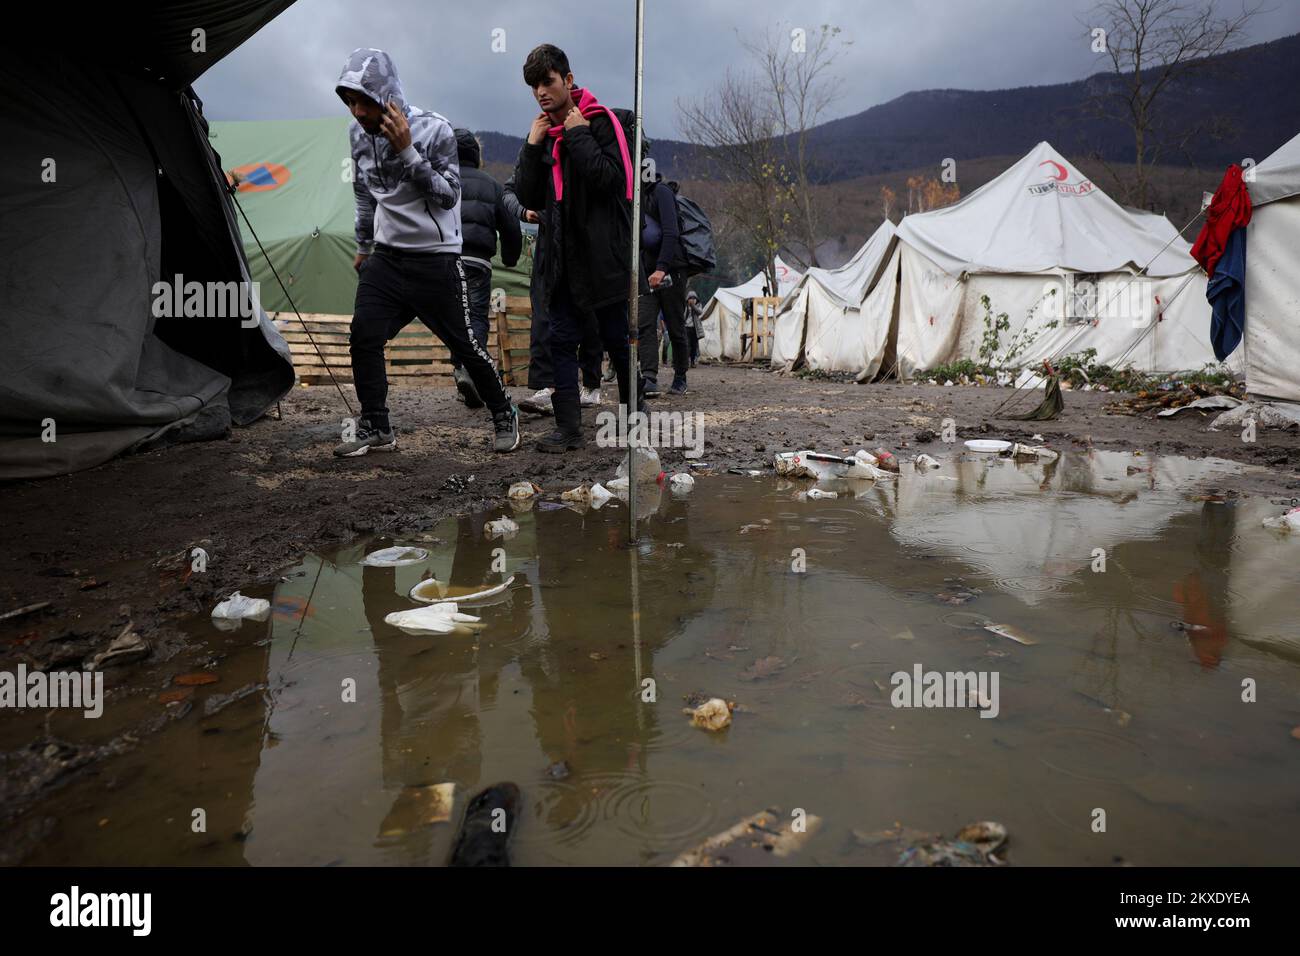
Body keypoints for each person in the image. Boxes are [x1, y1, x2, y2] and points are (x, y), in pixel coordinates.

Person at [332, 48, 519, 456]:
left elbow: (449, 196)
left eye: (365, 99)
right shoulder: (356, 136)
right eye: (350, 101)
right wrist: (364, 246)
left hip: (436, 258)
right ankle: (376, 426)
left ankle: (504, 412)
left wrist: (407, 152)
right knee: (364, 333)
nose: (357, 110)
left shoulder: (435, 130)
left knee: (467, 347)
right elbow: (364, 195)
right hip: (387, 256)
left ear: (388, 94)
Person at [511, 44, 640, 453]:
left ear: (567, 80)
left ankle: (633, 418)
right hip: (561, 260)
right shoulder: (541, 135)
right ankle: (569, 430)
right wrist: (532, 148)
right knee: (562, 340)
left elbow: (613, 182)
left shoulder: (603, 122)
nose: (541, 93)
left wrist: (579, 134)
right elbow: (528, 197)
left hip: (602, 258)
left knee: (616, 339)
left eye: (547, 83)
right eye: (534, 87)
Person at [502, 173, 605, 416]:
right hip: (550, 243)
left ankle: (591, 384)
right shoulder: (540, 152)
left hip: (588, 242)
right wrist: (523, 211)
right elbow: (508, 191)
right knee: (543, 315)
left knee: (590, 316)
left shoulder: (591, 146)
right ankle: (547, 386)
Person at [448, 129, 522, 410]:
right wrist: (512, 258)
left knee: (452, 317)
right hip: (478, 262)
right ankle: (471, 372)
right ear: (477, 158)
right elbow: (511, 228)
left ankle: (460, 369)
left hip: (447, 259)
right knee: (476, 316)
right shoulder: (493, 186)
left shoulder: (443, 182)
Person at [636, 165, 690, 396]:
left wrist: (661, 268)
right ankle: (649, 376)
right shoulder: (635, 199)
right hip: (646, 273)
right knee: (645, 323)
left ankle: (680, 376)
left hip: (671, 270)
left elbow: (671, 232)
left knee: (675, 324)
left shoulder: (662, 193)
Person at [685, 290, 703, 367]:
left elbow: (700, 312)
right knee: (687, 345)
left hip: (695, 328)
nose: (692, 299)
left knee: (694, 346)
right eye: (690, 298)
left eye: (694, 298)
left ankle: (692, 361)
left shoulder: (698, 305)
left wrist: (693, 306)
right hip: (686, 328)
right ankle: (686, 362)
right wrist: (688, 307)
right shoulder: (685, 306)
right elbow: (683, 316)